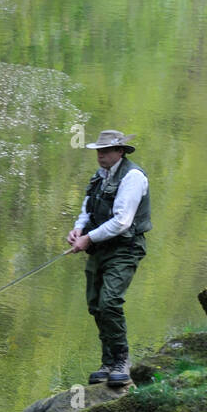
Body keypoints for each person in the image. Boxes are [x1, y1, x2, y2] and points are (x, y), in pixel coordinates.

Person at [66, 129, 151, 387]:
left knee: (110, 301)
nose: (100, 155)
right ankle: (108, 361)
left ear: (120, 151)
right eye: (98, 151)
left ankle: (121, 361)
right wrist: (79, 229)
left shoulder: (133, 177)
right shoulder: (99, 176)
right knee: (95, 304)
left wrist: (88, 239)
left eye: (106, 151)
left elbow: (123, 222)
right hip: (100, 247)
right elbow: (86, 209)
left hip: (125, 249)